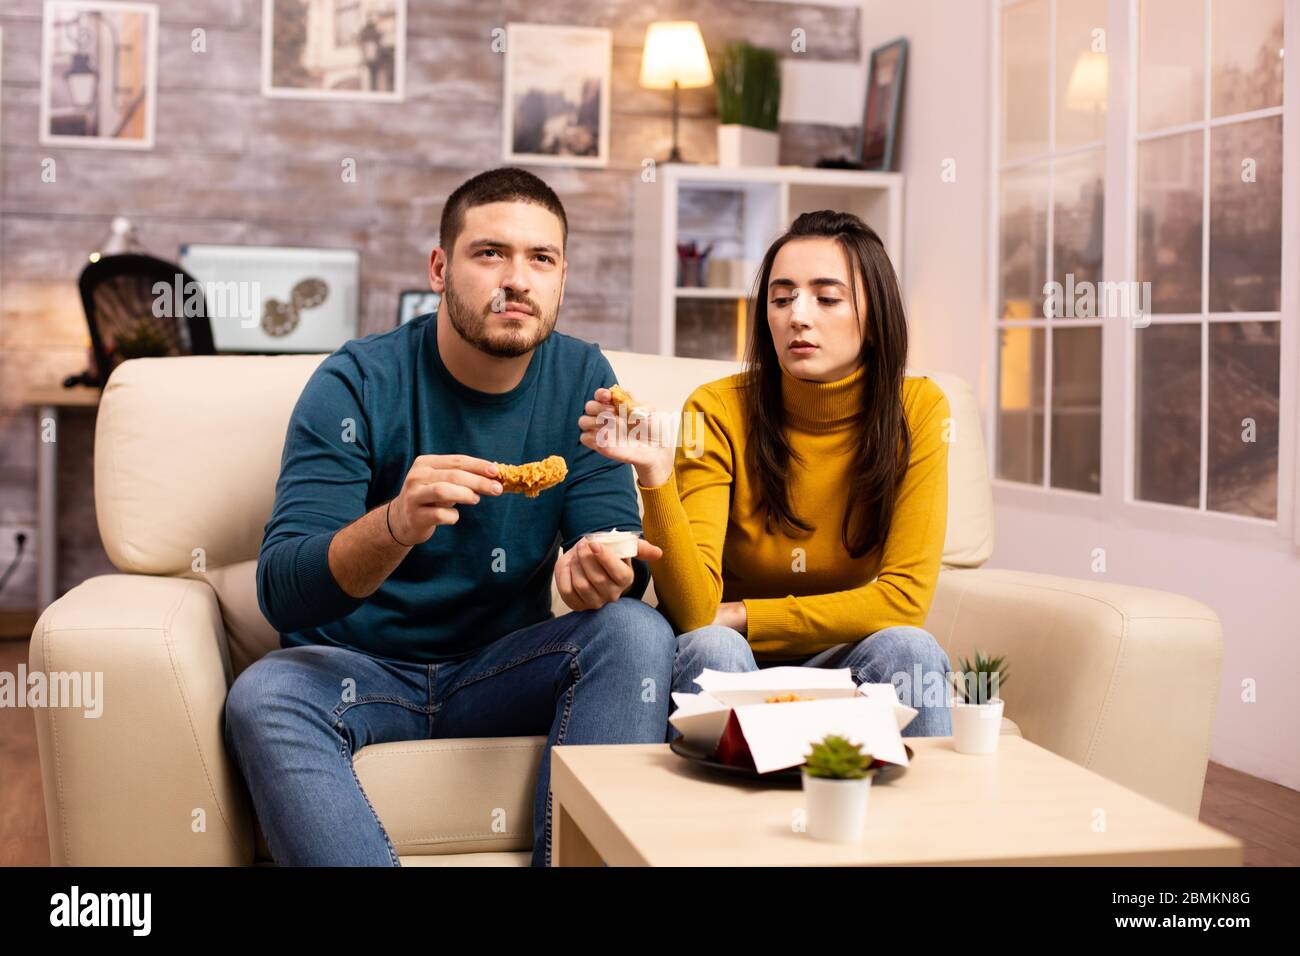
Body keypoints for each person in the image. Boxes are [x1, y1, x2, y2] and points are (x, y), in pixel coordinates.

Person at [225, 167, 674, 867]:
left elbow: (614, 549)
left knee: (635, 633)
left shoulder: (585, 379)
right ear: (440, 268)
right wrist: (396, 524)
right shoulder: (356, 382)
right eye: (490, 253)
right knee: (265, 693)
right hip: (357, 671)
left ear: (562, 281)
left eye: (541, 259)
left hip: (500, 668)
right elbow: (281, 588)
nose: (517, 279)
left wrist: (602, 573)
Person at [579, 210, 953, 737]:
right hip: (733, 659)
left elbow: (903, 601)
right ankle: (736, 819)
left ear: (876, 313)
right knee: (713, 644)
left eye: (827, 298)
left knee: (911, 649)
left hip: (839, 659)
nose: (798, 316)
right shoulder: (717, 410)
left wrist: (744, 615)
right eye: (781, 299)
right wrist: (657, 477)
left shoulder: (919, 409)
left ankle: (926, 821)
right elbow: (693, 614)